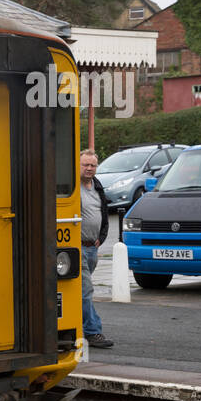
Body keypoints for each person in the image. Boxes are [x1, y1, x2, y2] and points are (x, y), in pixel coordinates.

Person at [79, 149, 113, 348]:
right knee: (85, 290)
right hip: (77, 249)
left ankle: (75, 327)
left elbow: (104, 214)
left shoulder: (97, 186)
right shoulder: (73, 188)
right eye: (86, 165)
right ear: (78, 166)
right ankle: (93, 332)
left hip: (92, 248)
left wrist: (102, 237)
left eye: (93, 165)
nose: (90, 168)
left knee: (81, 292)